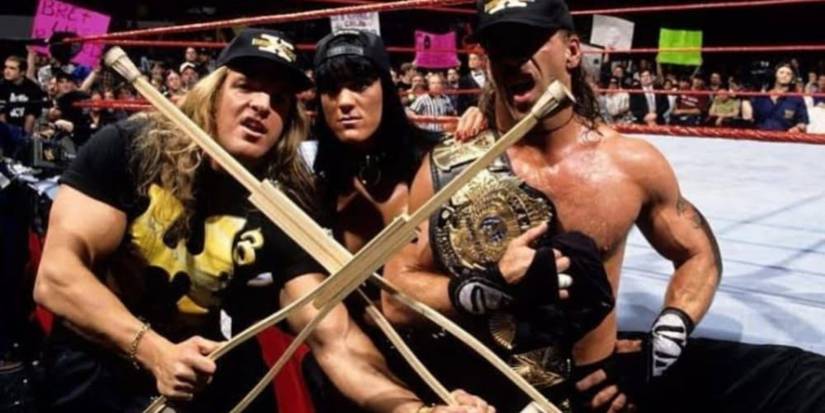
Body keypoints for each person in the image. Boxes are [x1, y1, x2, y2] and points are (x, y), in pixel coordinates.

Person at [384, 1, 825, 412]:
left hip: (598, 393)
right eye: (499, 46)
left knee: (808, 381)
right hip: (485, 394)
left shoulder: (629, 164)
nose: (512, 57)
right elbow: (396, 295)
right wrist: (488, 289)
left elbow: (698, 254)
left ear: (573, 51)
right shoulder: (451, 168)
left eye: (529, 41)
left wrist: (663, 344)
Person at [33, 28, 491, 413]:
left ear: (289, 119)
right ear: (214, 92)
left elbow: (334, 336)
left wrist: (416, 409)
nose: (260, 105)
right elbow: (56, 276)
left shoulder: (283, 203)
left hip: (201, 359)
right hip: (100, 355)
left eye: (278, 99)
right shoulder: (130, 148)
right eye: (246, 85)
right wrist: (153, 351)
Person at [751, 62, 809, 132]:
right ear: (775, 74)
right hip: (760, 135)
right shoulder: (762, 96)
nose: (784, 75)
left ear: (792, 78)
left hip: (784, 136)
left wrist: (797, 129)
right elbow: (750, 117)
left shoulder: (796, 98)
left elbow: (803, 123)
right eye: (781, 72)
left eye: (788, 74)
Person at [0, 55, 45, 135]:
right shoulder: (1, 86)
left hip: (24, 129)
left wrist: (25, 138)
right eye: (6, 67)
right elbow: (1, 114)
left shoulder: (34, 89)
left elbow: (31, 116)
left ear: (22, 72)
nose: (6, 71)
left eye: (12, 68)